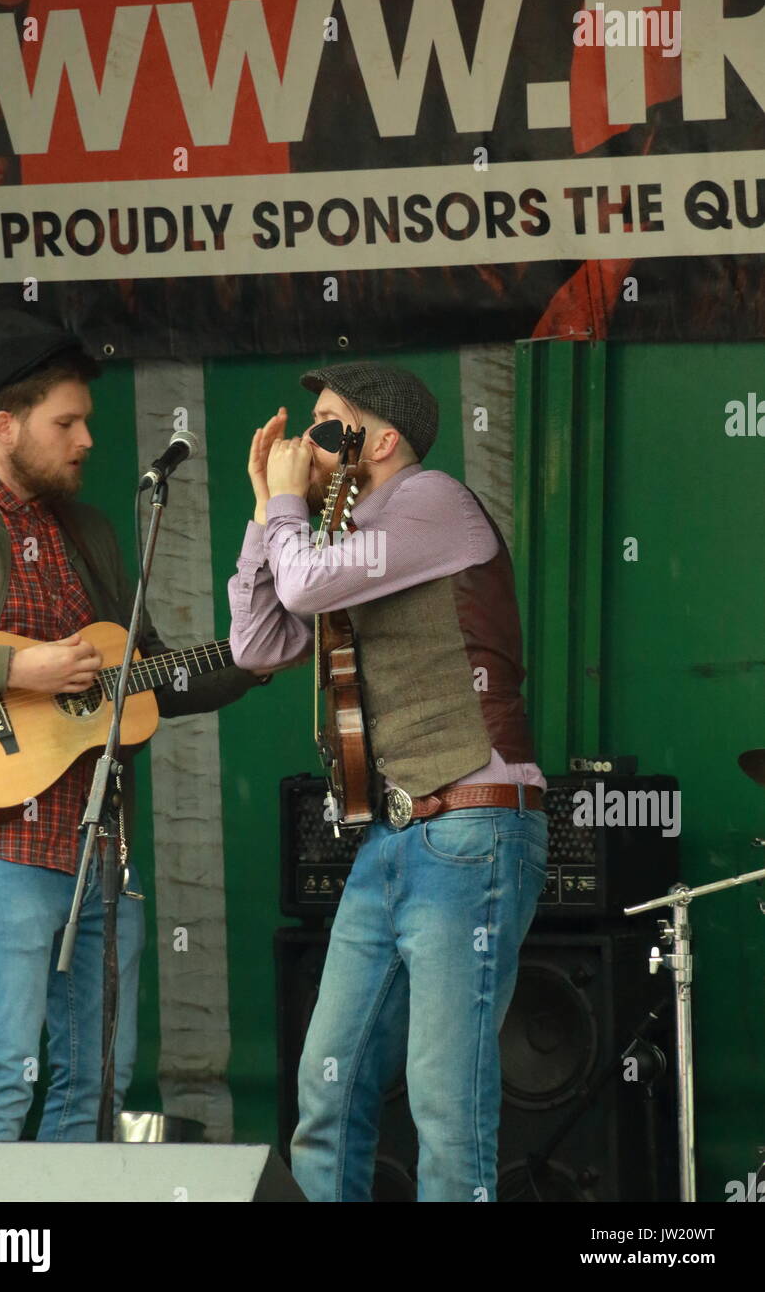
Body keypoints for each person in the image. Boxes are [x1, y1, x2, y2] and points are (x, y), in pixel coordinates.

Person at [0, 328, 265, 1141]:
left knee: (97, 1083)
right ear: (5, 426)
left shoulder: (92, 531)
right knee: (2, 1069)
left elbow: (154, 676)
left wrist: (261, 655)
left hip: (102, 857)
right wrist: (13, 673)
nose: (88, 440)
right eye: (67, 423)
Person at [227, 362, 548, 1201]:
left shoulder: (430, 501)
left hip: (471, 828)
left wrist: (291, 510)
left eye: (329, 425)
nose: (309, 440)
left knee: (447, 1108)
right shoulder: (338, 539)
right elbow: (259, 645)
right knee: (326, 1092)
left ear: (382, 440)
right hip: (392, 837)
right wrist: (268, 510)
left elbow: (298, 584)